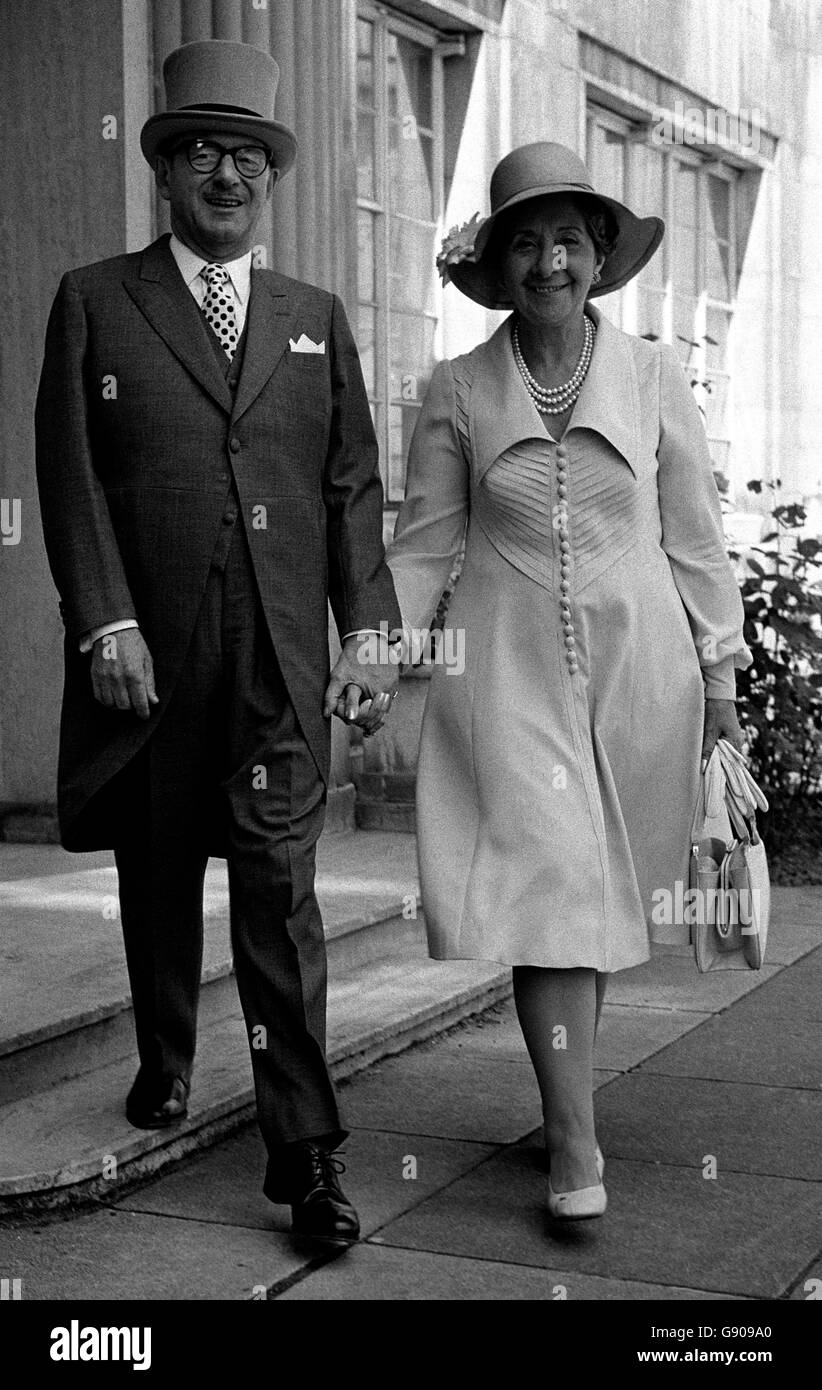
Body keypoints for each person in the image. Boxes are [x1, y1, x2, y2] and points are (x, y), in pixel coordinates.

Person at [35, 39, 401, 1241]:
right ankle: (167, 1053)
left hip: (280, 662)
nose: (227, 175)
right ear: (164, 171)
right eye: (201, 151)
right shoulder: (97, 300)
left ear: (272, 175)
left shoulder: (314, 318)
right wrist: (106, 620)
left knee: (280, 897)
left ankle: (306, 1152)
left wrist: (370, 635)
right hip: (153, 656)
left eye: (247, 155)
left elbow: (351, 489)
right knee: (157, 873)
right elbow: (71, 477)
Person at [386, 142, 751, 1221]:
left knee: (593, 900)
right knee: (547, 885)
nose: (550, 262)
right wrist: (373, 653)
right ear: (498, 262)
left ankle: (563, 1099)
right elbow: (423, 547)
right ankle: (575, 1143)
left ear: (598, 256)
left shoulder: (651, 378)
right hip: (505, 677)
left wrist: (722, 681)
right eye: (527, 243)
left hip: (642, 676)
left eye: (569, 241)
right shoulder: (459, 389)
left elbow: (695, 540)